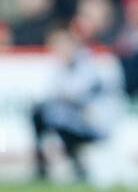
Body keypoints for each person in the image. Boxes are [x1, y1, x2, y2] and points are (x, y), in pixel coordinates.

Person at [30, 23, 114, 183]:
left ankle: (74, 161)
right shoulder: (60, 67)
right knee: (41, 114)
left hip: (93, 122)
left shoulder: (90, 64)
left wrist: (60, 100)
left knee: (56, 119)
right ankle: (44, 165)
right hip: (75, 119)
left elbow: (78, 95)